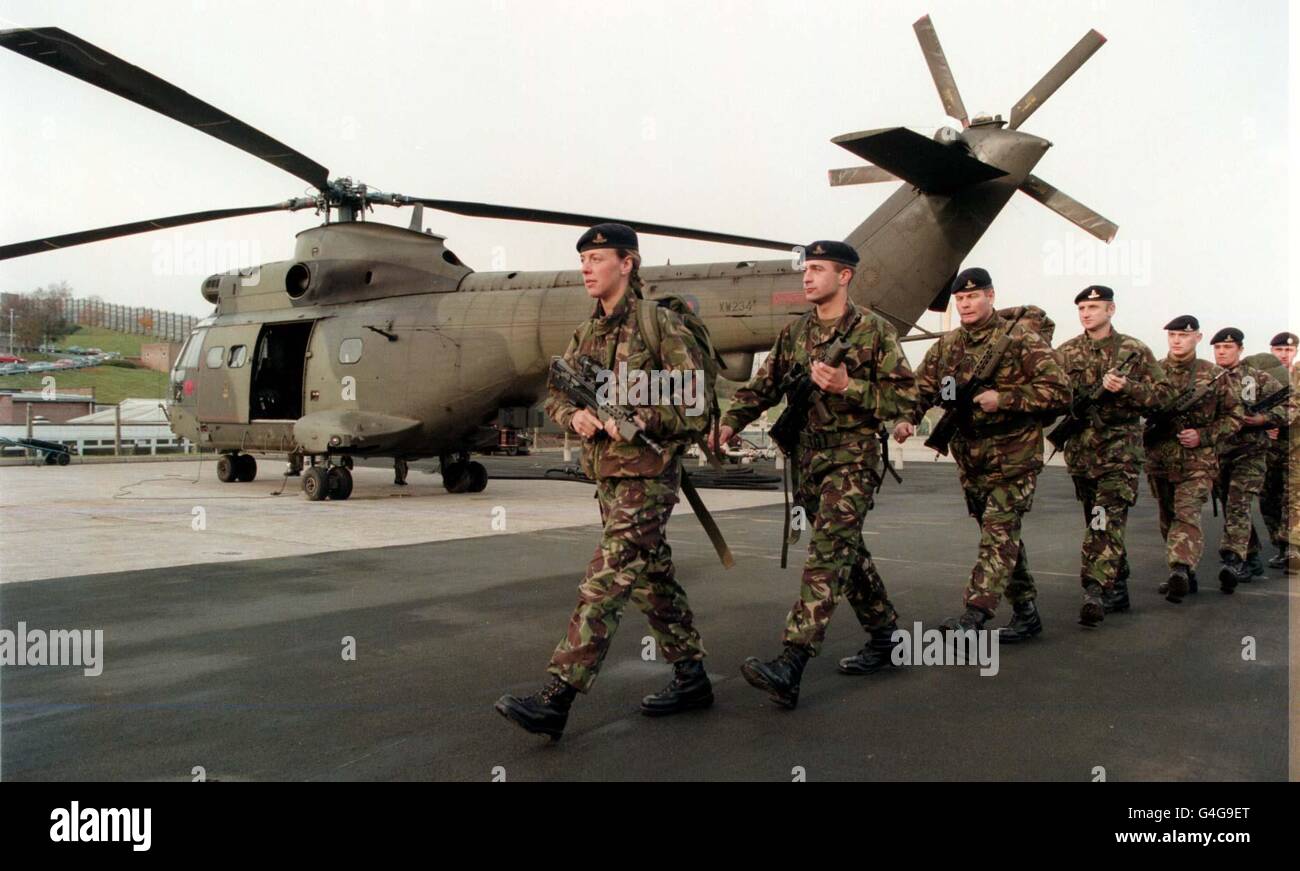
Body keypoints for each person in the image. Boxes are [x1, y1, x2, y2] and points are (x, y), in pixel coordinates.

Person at [495, 223, 712, 740]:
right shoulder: (586, 334)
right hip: (609, 478)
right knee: (651, 580)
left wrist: (639, 415)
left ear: (628, 263)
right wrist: (575, 418)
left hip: (650, 477)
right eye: (583, 260)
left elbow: (696, 404)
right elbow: (557, 393)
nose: (586, 268)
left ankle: (557, 698)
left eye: (597, 258)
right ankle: (692, 677)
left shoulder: (659, 324)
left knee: (606, 579)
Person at [711, 240, 918, 709]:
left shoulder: (873, 331)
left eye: (818, 269)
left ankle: (792, 661)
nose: (807, 277)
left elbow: (907, 400)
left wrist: (851, 386)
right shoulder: (795, 334)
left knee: (827, 552)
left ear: (844, 276)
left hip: (853, 459)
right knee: (846, 551)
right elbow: (761, 388)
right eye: (806, 269)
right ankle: (886, 636)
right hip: (808, 460)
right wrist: (729, 423)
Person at [895, 267, 1071, 639]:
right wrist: (906, 419)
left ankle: (975, 614)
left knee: (999, 531)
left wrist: (1004, 399)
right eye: (960, 299)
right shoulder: (948, 345)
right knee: (1003, 537)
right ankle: (1025, 611)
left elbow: (1060, 392)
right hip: (971, 459)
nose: (965, 304)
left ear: (991, 296)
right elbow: (921, 388)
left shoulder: (1022, 340)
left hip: (1014, 456)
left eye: (972, 297)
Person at [1054, 285, 1171, 626]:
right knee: (1096, 518)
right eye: (1081, 308)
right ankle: (1116, 583)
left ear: (1111, 310)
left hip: (1120, 455)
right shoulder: (1066, 352)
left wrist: (1129, 388)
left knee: (1104, 518)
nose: (1086, 313)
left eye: (1093, 306)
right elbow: (1053, 395)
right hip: (1082, 455)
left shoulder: (1134, 350)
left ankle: (1095, 590)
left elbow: (1163, 397)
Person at [1145, 316, 1243, 600]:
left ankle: (1180, 567)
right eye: (1172, 335)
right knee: (1168, 518)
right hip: (1160, 462)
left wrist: (1205, 435)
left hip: (1197, 463)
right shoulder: (1155, 372)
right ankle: (1187, 573)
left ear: (1197, 338)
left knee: (1186, 515)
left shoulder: (1213, 375)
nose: (1177, 340)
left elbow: (1234, 416)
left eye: (1183, 336)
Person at [1209, 328, 1286, 586]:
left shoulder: (1256, 378)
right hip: (1221, 453)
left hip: (1251, 452)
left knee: (1238, 504)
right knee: (1232, 505)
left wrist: (1265, 418)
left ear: (1240, 349)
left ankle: (1234, 561)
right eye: (1218, 347)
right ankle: (1250, 557)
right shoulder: (1208, 379)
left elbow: (1290, 404)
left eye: (1227, 347)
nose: (1222, 351)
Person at [1258, 332, 1297, 569]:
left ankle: (1292, 547)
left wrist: (1277, 422)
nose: (1284, 355)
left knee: (1291, 498)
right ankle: (1280, 544)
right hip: (1267, 447)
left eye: (1289, 350)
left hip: (1293, 446)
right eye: (1279, 350)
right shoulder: (1259, 379)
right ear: (1271, 351)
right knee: (1268, 497)